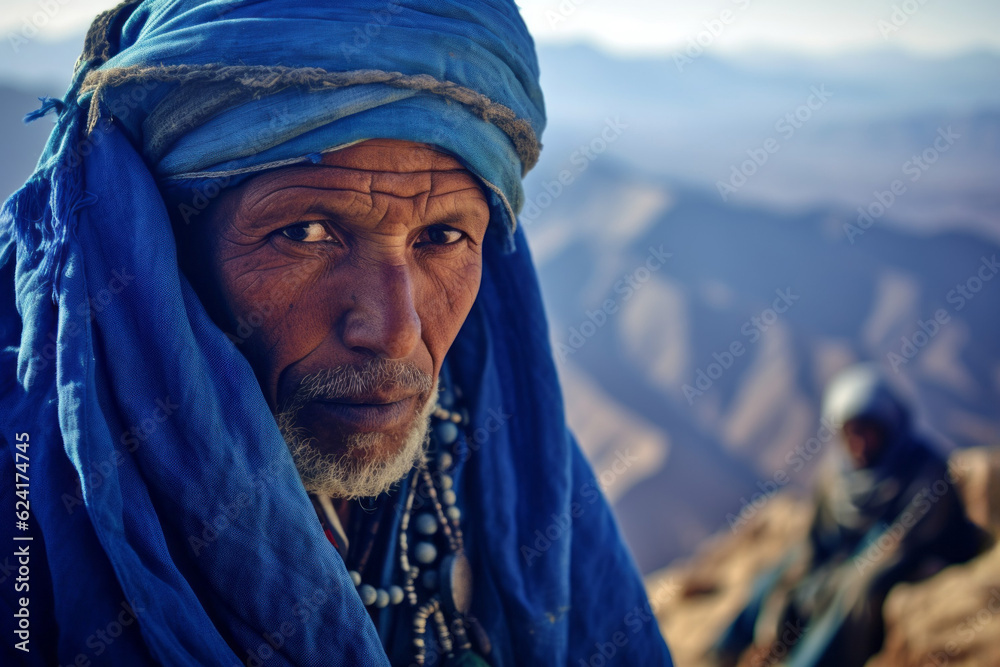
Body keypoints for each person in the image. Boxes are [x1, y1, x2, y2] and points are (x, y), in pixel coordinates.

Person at [0, 1, 673, 665]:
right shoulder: (27, 499)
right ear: (162, 244)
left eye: (441, 236)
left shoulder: (506, 450)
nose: (393, 330)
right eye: (304, 233)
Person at [714, 364, 986, 667]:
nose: (859, 445)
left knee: (854, 589)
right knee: (777, 574)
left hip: (899, 558)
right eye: (851, 433)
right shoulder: (836, 478)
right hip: (846, 556)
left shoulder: (926, 471)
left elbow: (902, 544)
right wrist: (786, 599)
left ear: (889, 426)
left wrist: (839, 576)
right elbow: (816, 542)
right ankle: (723, 652)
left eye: (869, 432)